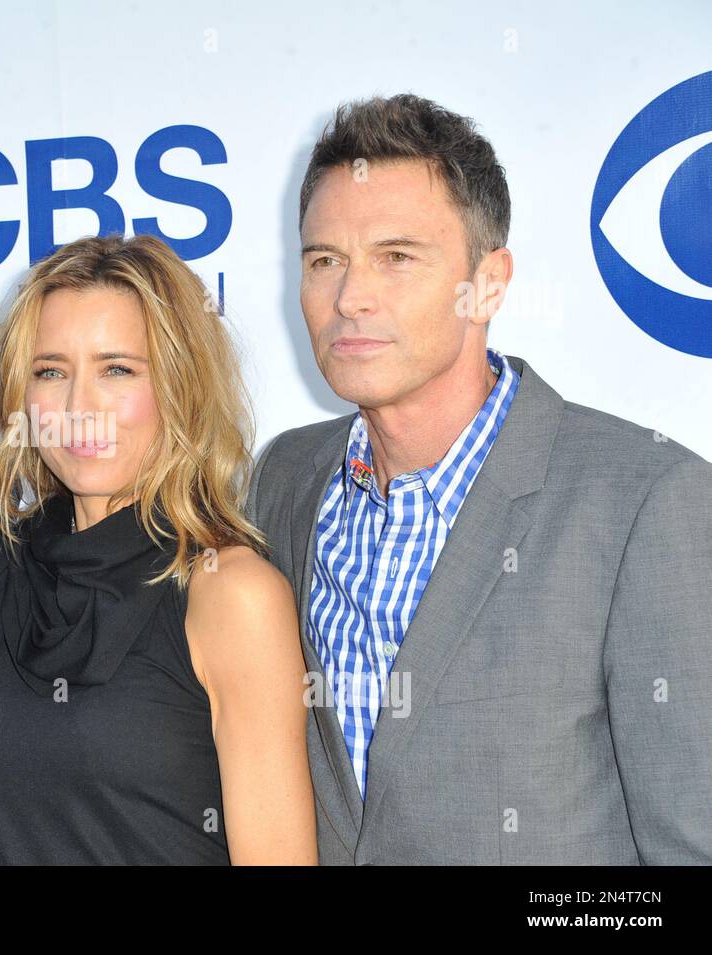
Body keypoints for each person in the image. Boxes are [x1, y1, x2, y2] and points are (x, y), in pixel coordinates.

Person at [248, 93, 712, 864]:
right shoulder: (284, 480)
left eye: (396, 256)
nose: (349, 296)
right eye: (324, 259)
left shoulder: (646, 501)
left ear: (489, 283)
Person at [0, 234, 316, 865]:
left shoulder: (231, 596)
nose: (80, 407)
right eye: (51, 371)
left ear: (180, 388)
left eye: (118, 370)